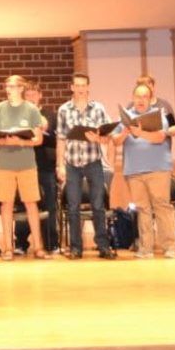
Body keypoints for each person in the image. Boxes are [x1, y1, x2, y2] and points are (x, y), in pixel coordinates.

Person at [112, 82, 175, 259]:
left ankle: (169, 247)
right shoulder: (126, 117)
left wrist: (139, 133)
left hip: (158, 169)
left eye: (145, 97)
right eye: (138, 96)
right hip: (134, 170)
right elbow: (116, 141)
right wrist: (126, 132)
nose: (141, 100)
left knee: (162, 206)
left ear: (150, 99)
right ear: (132, 98)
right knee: (142, 209)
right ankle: (146, 248)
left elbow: (159, 137)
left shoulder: (159, 116)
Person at [55, 72, 115, 260]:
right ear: (71, 87)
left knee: (98, 205)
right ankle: (75, 248)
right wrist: (60, 165)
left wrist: (97, 137)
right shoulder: (64, 110)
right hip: (72, 163)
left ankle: (103, 246)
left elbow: (108, 136)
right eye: (77, 85)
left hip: (93, 161)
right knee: (73, 206)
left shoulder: (98, 108)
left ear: (88, 87)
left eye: (84, 85)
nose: (81, 89)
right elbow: (61, 139)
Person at [0, 75, 45, 260]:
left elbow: (38, 139)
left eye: (12, 86)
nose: (8, 89)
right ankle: (7, 248)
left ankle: (38, 247)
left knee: (31, 203)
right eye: (7, 86)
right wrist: (5, 140)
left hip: (27, 164)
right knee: (6, 204)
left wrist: (21, 141)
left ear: (21, 88)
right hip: (4, 165)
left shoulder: (31, 110)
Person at [16, 83, 59, 255]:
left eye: (34, 94)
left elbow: (55, 138)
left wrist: (44, 127)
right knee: (22, 205)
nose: (31, 97)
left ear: (40, 95)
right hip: (24, 165)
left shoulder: (50, 114)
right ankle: (21, 243)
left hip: (45, 166)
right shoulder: (19, 115)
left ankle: (50, 243)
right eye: (28, 95)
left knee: (49, 204)